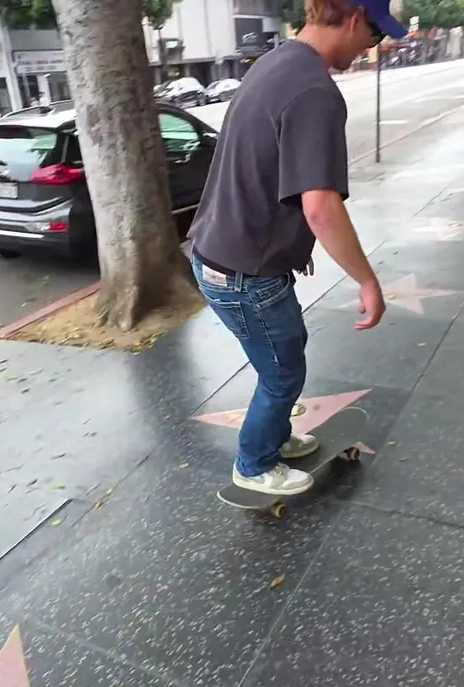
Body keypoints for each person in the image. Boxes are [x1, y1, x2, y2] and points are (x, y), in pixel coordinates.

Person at [187, 0, 395, 496]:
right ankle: (254, 462)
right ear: (353, 19)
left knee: (284, 354)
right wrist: (367, 281)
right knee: (282, 372)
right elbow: (320, 207)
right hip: (244, 270)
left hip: (221, 253)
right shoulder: (316, 93)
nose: (372, 45)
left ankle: (275, 437)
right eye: (374, 34)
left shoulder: (275, 62)